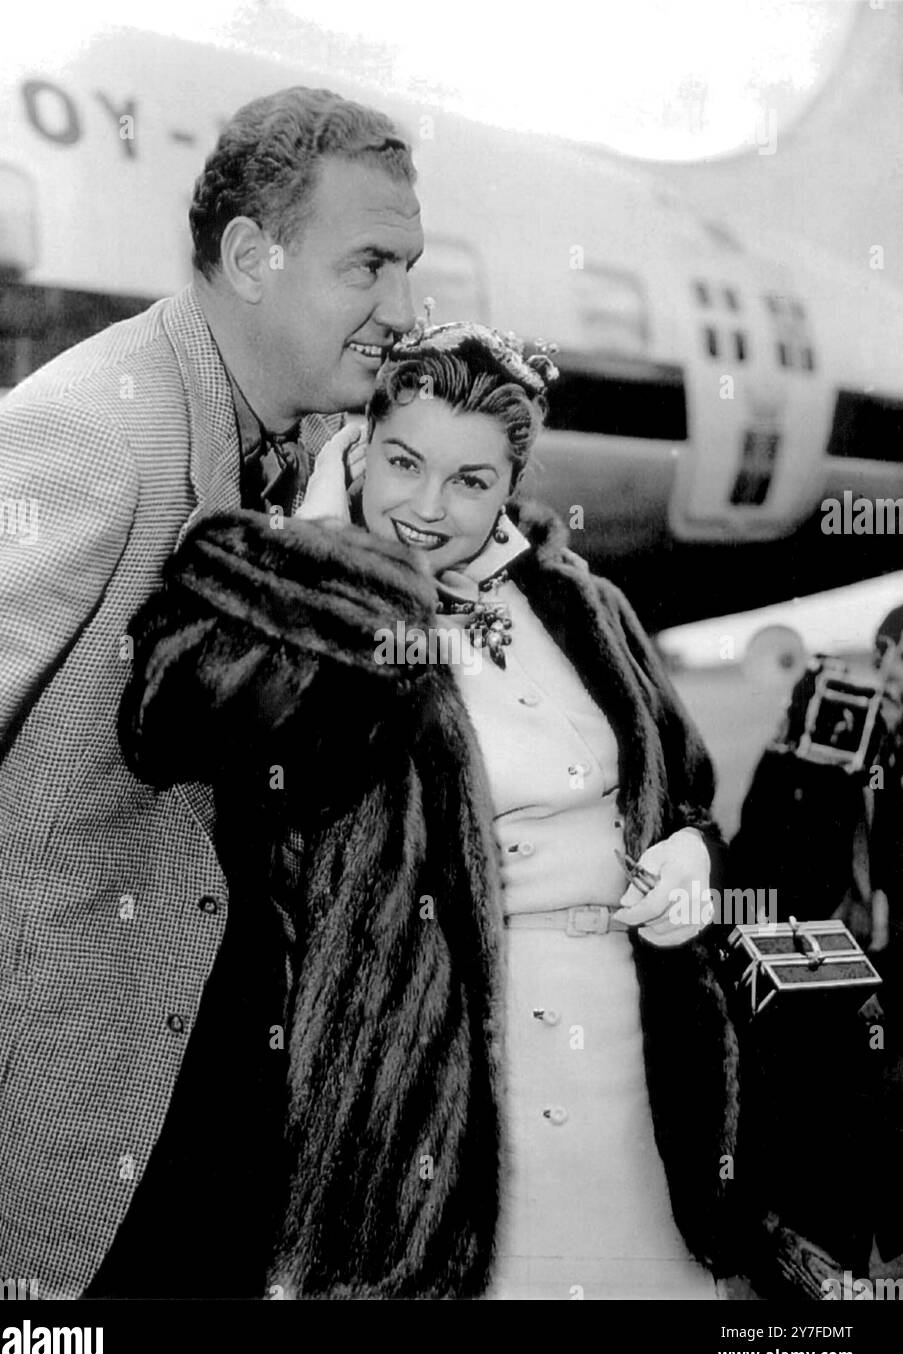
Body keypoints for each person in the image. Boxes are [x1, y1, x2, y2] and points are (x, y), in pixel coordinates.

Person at [119, 321, 837, 1299]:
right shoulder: (301, 603)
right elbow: (171, 726)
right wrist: (329, 553)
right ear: (359, 446)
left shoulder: (583, 605)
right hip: (434, 1100)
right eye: (403, 462)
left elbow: (684, 793)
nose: (425, 506)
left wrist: (688, 858)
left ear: (511, 490)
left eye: (470, 480)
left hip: (625, 1062)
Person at [0, 87, 422, 1299]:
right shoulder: (102, 430)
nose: (403, 313)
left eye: (408, 269)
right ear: (251, 257)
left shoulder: (292, 457)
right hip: (47, 1160)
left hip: (190, 1114)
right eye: (369, 264)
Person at [729, 610, 903, 1273]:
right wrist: (800, 763)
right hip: (821, 1036)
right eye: (886, 654)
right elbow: (754, 887)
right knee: (821, 1244)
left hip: (883, 1041)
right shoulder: (819, 756)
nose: (888, 674)